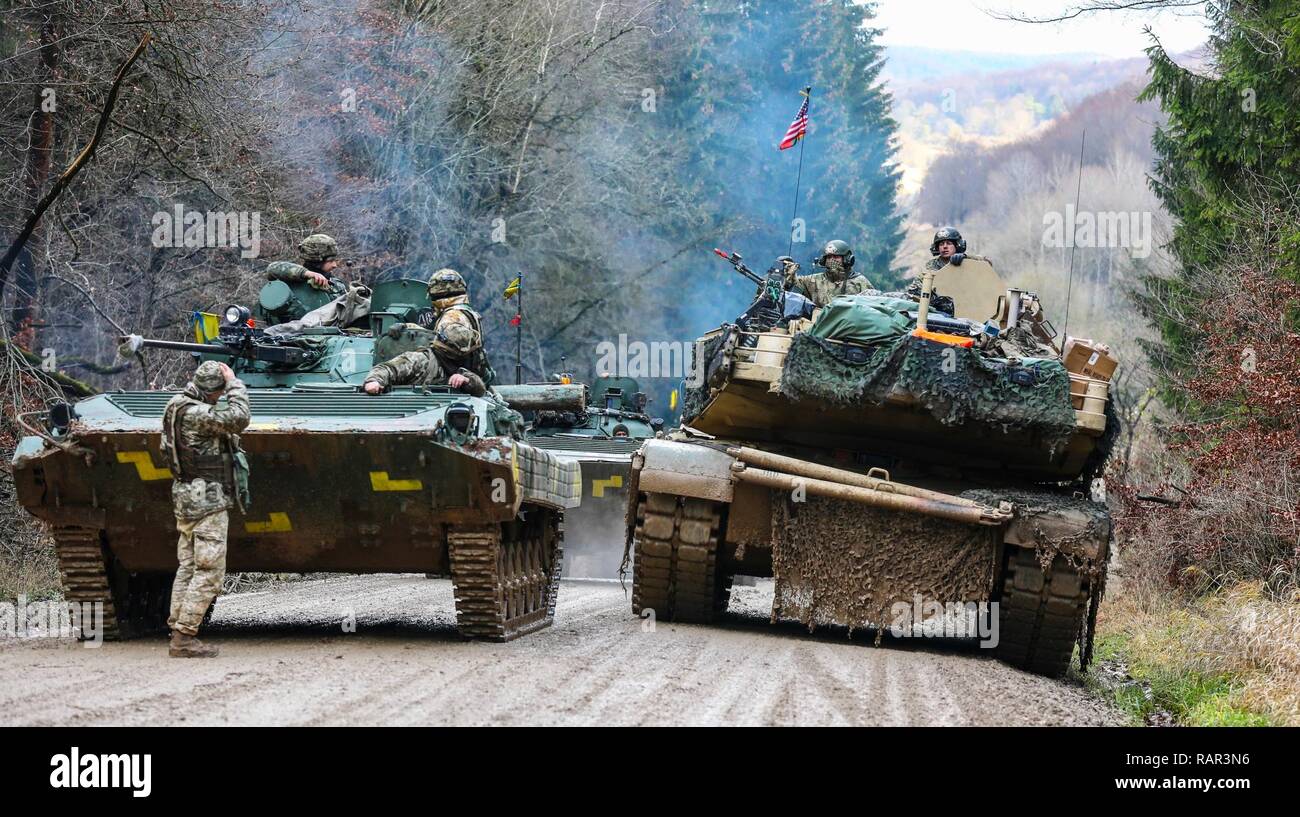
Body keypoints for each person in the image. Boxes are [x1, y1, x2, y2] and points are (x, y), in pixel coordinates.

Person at [159, 360, 250, 658]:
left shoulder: (175, 405)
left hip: (184, 496)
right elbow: (239, 417)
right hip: (207, 500)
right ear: (215, 391)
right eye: (220, 392)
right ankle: (184, 637)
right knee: (209, 570)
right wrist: (234, 382)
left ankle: (178, 629)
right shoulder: (199, 413)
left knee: (188, 566)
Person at [362, 323, 488, 396]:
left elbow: (480, 389)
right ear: (457, 353)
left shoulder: (459, 369)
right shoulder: (421, 360)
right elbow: (388, 368)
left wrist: (466, 380)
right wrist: (374, 381)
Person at [790, 239, 873, 306]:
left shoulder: (860, 282)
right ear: (824, 260)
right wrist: (789, 274)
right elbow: (793, 285)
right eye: (829, 257)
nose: (832, 260)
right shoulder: (814, 280)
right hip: (819, 324)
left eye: (836, 256)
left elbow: (874, 305)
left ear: (846, 259)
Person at [266, 233, 346, 294]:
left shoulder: (337, 285)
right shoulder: (293, 277)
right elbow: (272, 268)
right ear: (317, 261)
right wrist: (308, 274)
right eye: (330, 261)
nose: (334, 265)